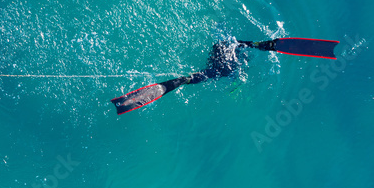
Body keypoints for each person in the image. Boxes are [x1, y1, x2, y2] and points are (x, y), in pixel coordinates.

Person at [110, 37, 338, 115]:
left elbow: (232, 46)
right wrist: (238, 90)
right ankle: (178, 82)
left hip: (222, 51)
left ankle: (178, 81)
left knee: (197, 75)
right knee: (198, 77)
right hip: (225, 67)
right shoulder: (232, 67)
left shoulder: (227, 45)